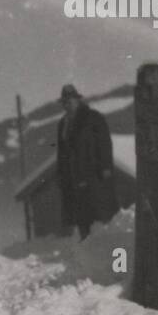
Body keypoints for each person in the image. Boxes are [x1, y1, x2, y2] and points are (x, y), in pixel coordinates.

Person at [55, 83, 119, 239]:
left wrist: (105, 168)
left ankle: (100, 244)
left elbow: (105, 144)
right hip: (73, 176)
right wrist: (61, 174)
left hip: (93, 173)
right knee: (80, 215)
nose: (67, 105)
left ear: (77, 100)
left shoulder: (93, 118)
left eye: (70, 101)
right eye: (64, 102)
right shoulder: (63, 124)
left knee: (97, 213)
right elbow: (62, 152)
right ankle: (86, 243)